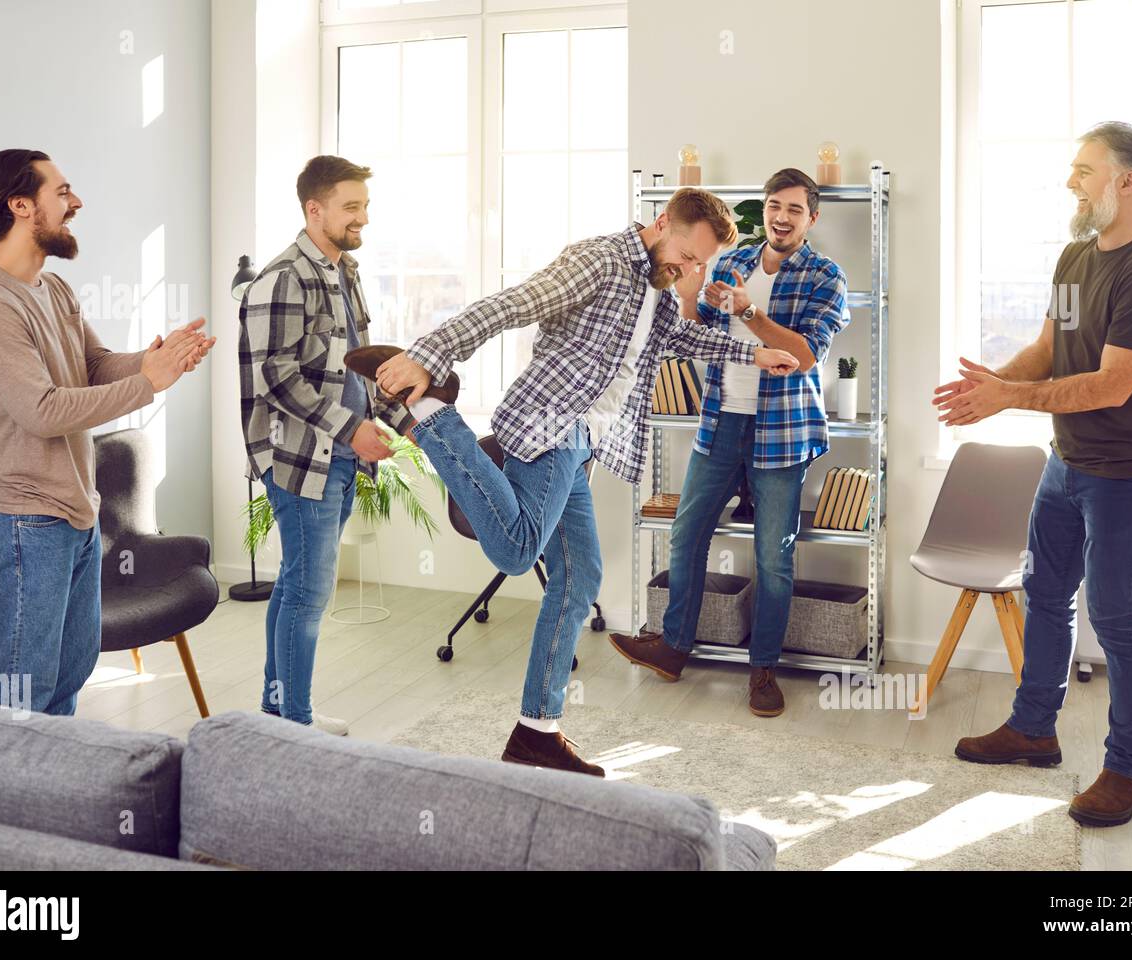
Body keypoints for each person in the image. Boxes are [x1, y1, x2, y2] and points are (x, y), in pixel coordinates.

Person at [347, 188, 800, 775]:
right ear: (662, 222)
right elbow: (510, 304)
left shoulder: (658, 288)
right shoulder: (601, 260)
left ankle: (537, 730)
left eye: (701, 264)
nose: (693, 271)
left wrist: (755, 355)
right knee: (515, 551)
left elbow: (677, 342)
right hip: (550, 425)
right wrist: (430, 355)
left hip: (582, 441)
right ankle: (432, 413)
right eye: (689, 255)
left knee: (580, 574)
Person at [938, 122, 1132, 827]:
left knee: (1119, 621)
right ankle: (1033, 728)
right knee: (1047, 593)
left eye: (1084, 170)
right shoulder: (1078, 258)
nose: (1071, 181)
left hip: (1131, 478)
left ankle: (1127, 773)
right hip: (1068, 465)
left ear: (1126, 181)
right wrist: (992, 385)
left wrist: (1007, 398)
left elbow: (1111, 386)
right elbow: (1049, 350)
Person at [0, 149, 212, 716]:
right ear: (21, 205)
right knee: (17, 694)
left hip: (75, 514)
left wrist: (155, 359)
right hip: (22, 524)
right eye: (62, 192)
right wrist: (150, 384)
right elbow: (42, 410)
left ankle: (50, 794)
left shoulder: (54, 290)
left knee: (67, 680)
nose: (77, 202)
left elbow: (94, 366)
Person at [609, 168, 850, 717]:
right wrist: (692, 298)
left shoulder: (825, 276)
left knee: (774, 556)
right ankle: (673, 649)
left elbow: (806, 354)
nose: (780, 216)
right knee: (686, 535)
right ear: (763, 210)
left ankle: (763, 668)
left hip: (782, 431)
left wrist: (748, 311)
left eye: (793, 208)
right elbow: (694, 330)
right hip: (720, 421)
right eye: (773, 205)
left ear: (812, 217)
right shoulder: (732, 261)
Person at [238, 156, 435, 734]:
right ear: (313, 209)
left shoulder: (343, 271)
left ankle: (279, 712)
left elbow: (359, 366)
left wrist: (403, 418)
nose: (362, 219)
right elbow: (276, 377)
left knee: (297, 583)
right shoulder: (282, 278)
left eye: (365, 207)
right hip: (301, 459)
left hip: (343, 457)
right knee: (309, 589)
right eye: (352, 207)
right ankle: (295, 725)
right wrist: (351, 429)